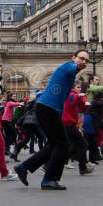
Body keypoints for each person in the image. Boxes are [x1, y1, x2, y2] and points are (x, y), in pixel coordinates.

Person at [14, 49, 90, 190]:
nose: (84, 62)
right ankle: (49, 179)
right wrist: (76, 65)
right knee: (63, 144)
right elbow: (71, 67)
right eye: (81, 58)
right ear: (73, 57)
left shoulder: (71, 72)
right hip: (48, 109)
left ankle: (23, 168)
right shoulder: (69, 66)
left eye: (87, 60)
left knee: (54, 144)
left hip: (47, 109)